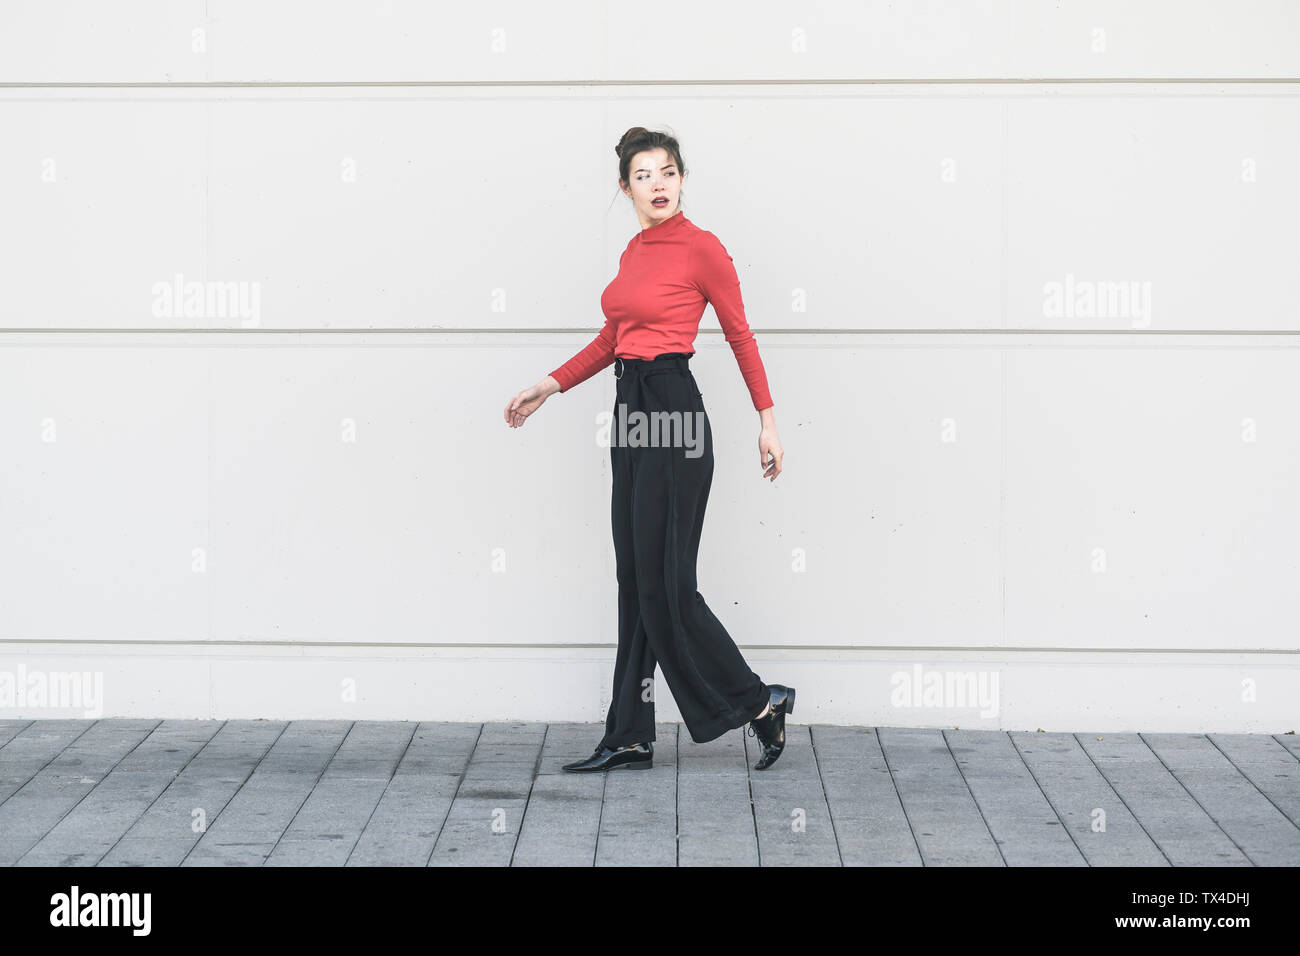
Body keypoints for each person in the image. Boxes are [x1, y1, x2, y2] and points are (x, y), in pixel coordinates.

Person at [503, 126, 795, 772]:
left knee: (668, 583)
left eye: (668, 172)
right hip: (631, 411)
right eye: (644, 175)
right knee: (635, 579)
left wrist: (767, 420)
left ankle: (757, 702)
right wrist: (549, 386)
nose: (658, 184)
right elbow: (613, 339)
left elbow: (741, 336)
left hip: (673, 408)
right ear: (625, 187)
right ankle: (630, 733)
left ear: (682, 179)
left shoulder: (702, 249)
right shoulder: (635, 252)